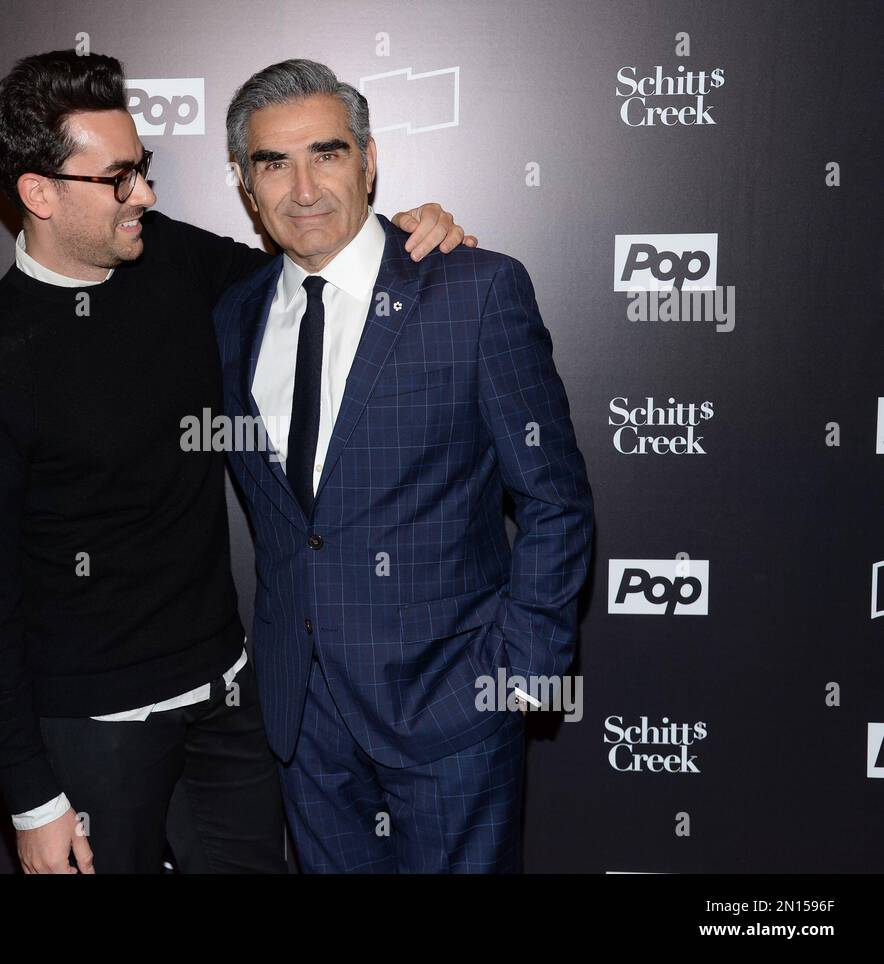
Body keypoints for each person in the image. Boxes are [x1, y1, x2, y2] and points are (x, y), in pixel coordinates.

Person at [0, 48, 473, 874]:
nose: (144, 194)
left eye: (141, 169)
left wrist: (408, 238)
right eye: (117, 179)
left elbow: (313, 283)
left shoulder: (172, 261)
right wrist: (31, 798)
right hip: (93, 738)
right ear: (39, 193)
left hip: (230, 704)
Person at [214, 59, 594, 873]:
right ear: (246, 185)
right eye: (273, 163)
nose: (304, 187)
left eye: (327, 153)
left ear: (370, 158)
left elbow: (554, 497)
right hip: (302, 718)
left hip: (453, 706)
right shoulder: (233, 314)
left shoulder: (472, 290)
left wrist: (520, 674)